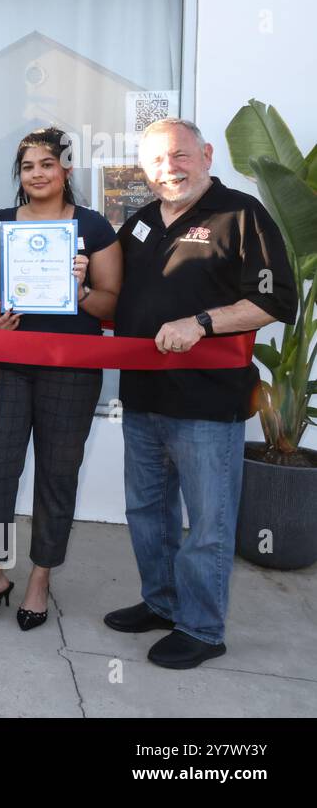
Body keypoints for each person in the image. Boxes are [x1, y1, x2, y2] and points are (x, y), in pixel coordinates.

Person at [103, 118, 296, 669]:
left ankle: (203, 628)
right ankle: (162, 604)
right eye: (158, 161)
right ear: (145, 170)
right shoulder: (139, 223)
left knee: (208, 522)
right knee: (148, 512)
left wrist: (204, 321)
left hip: (208, 403)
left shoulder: (241, 215)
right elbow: (116, 296)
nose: (171, 168)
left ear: (206, 154)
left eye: (180, 155)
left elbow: (277, 301)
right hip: (141, 397)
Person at [0, 127, 121, 629]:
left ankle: (39, 577)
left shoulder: (94, 227)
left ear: (66, 171)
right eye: (28, 167)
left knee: (57, 474)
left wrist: (79, 292)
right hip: (9, 362)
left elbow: (112, 303)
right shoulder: (0, 222)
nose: (36, 174)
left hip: (71, 369)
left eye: (46, 165)